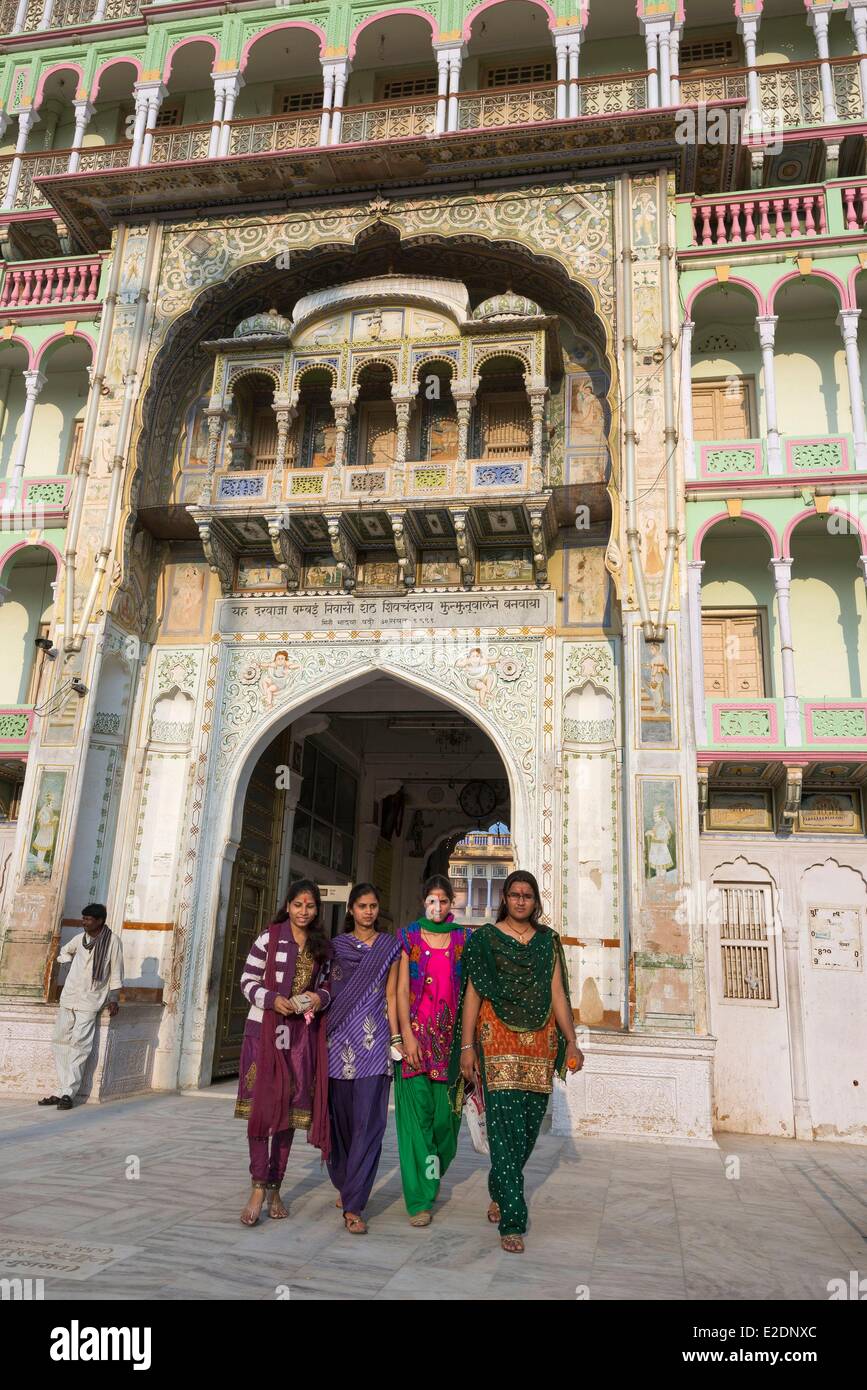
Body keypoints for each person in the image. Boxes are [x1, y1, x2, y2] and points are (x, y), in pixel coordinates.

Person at [449, 870, 584, 1254]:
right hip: (497, 1039)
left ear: (535, 902)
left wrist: (571, 1040)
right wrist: (467, 1046)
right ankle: (512, 1218)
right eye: (514, 894)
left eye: (527, 895)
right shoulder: (486, 941)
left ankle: (500, 1187)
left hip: (541, 1042)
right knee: (504, 1127)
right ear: (504, 898)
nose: (521, 901)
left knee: (527, 1129)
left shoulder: (547, 943)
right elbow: (474, 993)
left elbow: (557, 992)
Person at [235, 879, 332, 1227]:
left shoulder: (322, 946)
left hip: (300, 1037)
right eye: (297, 905)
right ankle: (258, 1186)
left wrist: (317, 998)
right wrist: (271, 999)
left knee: (290, 1114)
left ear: (316, 909)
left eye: (310, 906)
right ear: (287, 906)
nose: (303, 912)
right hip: (264, 1032)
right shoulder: (269, 938)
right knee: (261, 1111)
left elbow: (328, 986)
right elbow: (246, 980)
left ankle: (276, 1186)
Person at [394, 874, 472, 1227]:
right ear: (423, 901)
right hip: (415, 1046)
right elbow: (396, 992)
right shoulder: (407, 937)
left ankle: (433, 1170)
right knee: (415, 1125)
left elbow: (473, 993)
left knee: (446, 1124)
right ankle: (420, 1199)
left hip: (450, 1049)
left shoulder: (464, 940)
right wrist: (405, 1037)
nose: (437, 907)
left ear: (451, 903)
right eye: (431, 900)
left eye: (443, 901)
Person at [325, 883, 401, 1234]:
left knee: (368, 1126)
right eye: (362, 906)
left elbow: (394, 994)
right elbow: (325, 991)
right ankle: (346, 1181)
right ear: (351, 910)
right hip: (338, 1045)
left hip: (373, 1046)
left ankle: (354, 1204)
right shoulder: (335, 949)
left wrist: (399, 1038)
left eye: (373, 905)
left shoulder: (390, 947)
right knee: (340, 1126)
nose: (368, 912)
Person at [38, 904, 123, 1112]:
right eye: (83, 918)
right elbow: (64, 952)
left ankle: (69, 1093)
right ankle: (61, 1089)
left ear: (100, 921)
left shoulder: (112, 941)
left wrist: (114, 998)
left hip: (90, 1000)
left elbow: (117, 972)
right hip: (69, 997)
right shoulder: (79, 939)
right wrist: (67, 963)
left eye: (88, 919)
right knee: (60, 1041)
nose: (84, 922)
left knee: (80, 1045)